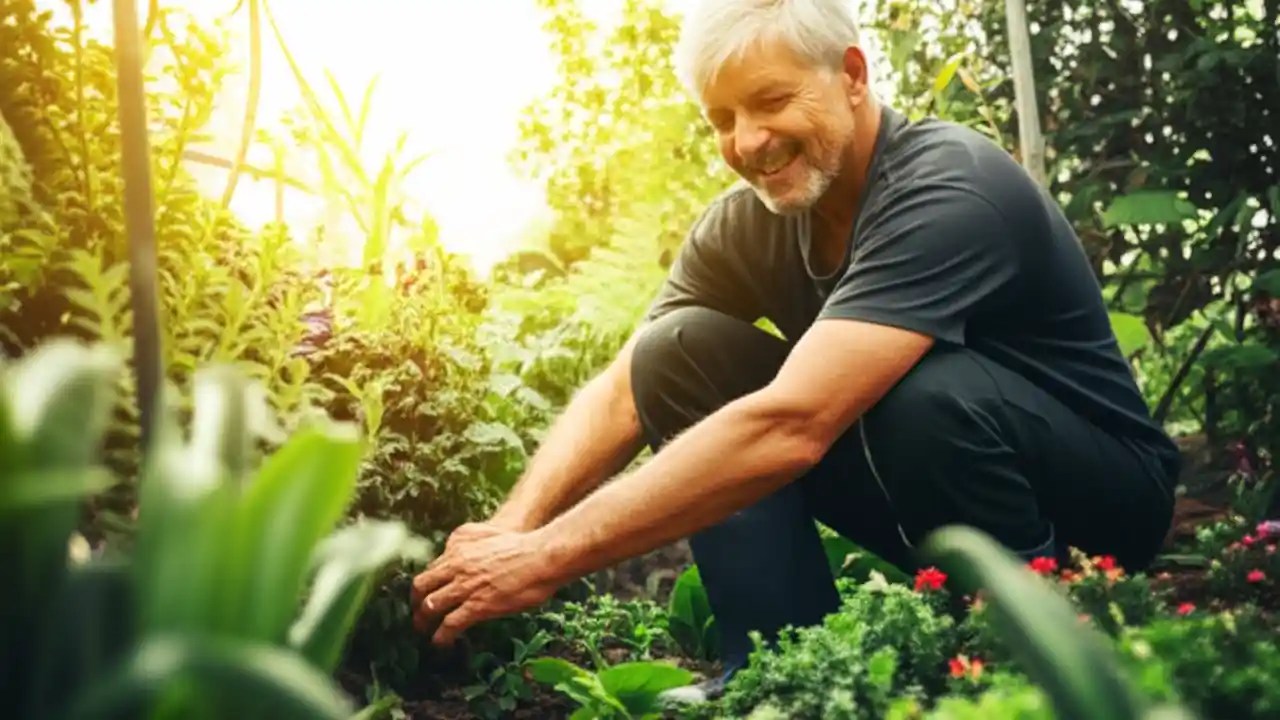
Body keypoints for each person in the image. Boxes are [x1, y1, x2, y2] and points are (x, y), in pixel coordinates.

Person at [410, 0, 1181, 700]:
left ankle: (1030, 651)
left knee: (923, 393)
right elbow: (624, 389)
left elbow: (793, 424)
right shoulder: (746, 224)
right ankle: (778, 673)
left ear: (852, 74)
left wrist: (545, 559)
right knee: (675, 352)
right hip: (924, 471)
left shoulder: (950, 188)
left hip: (1095, 503)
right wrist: (514, 526)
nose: (747, 142)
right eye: (721, 118)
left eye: (772, 101)